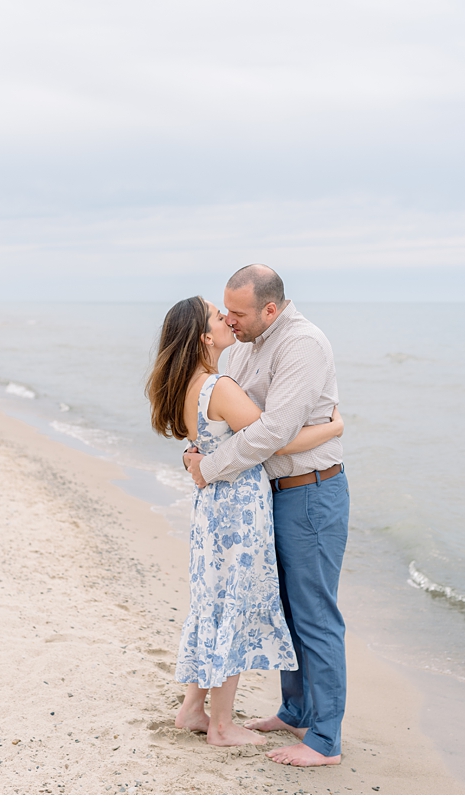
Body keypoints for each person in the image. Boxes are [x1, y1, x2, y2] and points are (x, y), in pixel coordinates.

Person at [145, 296, 342, 747]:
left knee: (212, 603)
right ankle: (221, 726)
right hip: (238, 509)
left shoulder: (181, 386)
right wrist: (333, 430)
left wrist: (198, 459)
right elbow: (274, 440)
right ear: (205, 337)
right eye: (219, 316)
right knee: (233, 605)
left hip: (211, 509)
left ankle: (193, 709)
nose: (227, 320)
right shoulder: (219, 387)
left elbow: (209, 444)